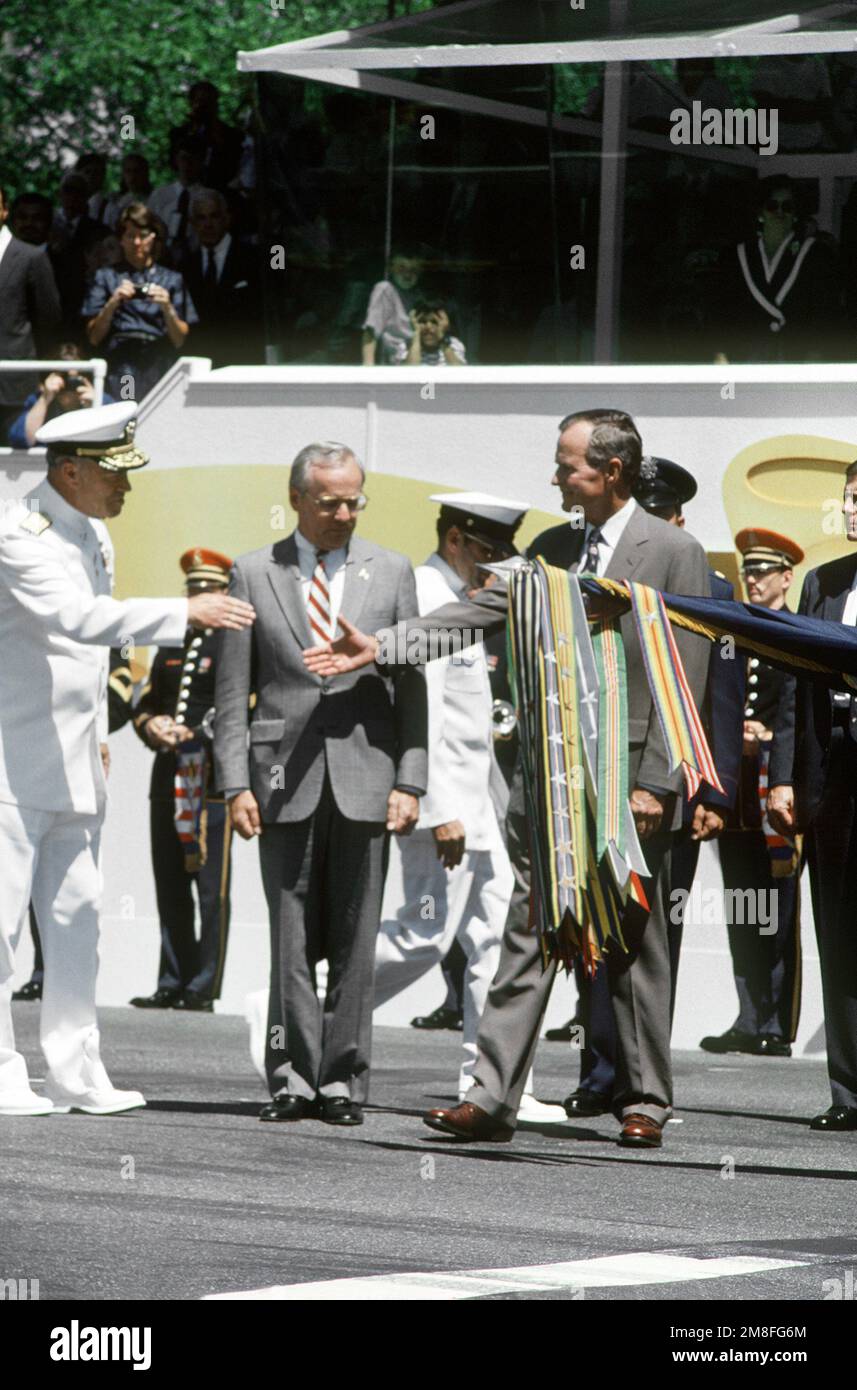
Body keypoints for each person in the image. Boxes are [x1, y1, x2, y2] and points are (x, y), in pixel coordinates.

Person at [304, 409, 712, 1149]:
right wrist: (384, 646)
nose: (555, 474)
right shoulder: (554, 547)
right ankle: (491, 1097)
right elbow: (482, 609)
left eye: (567, 463)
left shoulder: (674, 550)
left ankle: (645, 1099)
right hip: (550, 776)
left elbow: (684, 671)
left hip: (628, 781)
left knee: (633, 939)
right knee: (527, 929)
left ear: (611, 470)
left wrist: (656, 782)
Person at [0, 401, 255, 1116]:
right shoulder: (18, 533)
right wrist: (184, 612)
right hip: (10, 763)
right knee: (2, 926)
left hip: (73, 762)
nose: (127, 489)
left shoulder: (92, 534)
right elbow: (76, 621)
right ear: (72, 471)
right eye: (115, 475)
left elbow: (90, 658)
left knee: (79, 917)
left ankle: (77, 1071)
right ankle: (1, 1072)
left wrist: (98, 740)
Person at [214, 442, 427, 1127]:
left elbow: (411, 686)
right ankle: (291, 1077)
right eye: (330, 501)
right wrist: (233, 785)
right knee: (290, 940)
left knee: (356, 941)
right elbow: (232, 692)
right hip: (279, 781)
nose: (343, 513)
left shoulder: (392, 571)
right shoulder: (252, 572)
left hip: (367, 773)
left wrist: (411, 779)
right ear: (297, 498)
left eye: (353, 501)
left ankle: (342, 1082)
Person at [561, 456, 744, 1119]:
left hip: (665, 781)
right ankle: (599, 1070)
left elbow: (709, 696)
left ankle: (640, 1087)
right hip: (586, 775)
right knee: (588, 935)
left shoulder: (708, 585)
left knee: (642, 936)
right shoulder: (574, 562)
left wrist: (709, 791)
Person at [375, 492, 524, 1101]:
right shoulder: (426, 597)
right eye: (486, 551)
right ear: (458, 539)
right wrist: (436, 810)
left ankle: (491, 1082)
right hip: (446, 811)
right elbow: (422, 712)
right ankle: (293, 1004)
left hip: (480, 810)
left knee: (497, 942)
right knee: (424, 935)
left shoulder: (461, 600)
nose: (492, 566)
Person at [768, 464, 857, 1131]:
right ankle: (848, 1092)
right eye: (848, 501)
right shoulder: (822, 583)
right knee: (838, 932)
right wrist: (783, 777)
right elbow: (793, 688)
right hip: (834, 786)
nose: (849, 513)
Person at [701, 528, 803, 1059]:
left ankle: (775, 1020)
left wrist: (763, 737)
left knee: (779, 905)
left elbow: (792, 709)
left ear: (786, 577)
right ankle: (747, 1014)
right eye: (749, 569)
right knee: (742, 899)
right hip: (736, 786)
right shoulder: (735, 630)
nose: (754, 578)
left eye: (764, 571)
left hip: (773, 785)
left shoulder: (796, 630)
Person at [130, 548, 234, 1013]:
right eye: (193, 590)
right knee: (169, 883)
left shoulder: (232, 642)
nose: (199, 597)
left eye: (208, 589)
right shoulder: (171, 641)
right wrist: (150, 725)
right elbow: (146, 700)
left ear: (224, 593)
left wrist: (199, 734)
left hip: (210, 778)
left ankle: (202, 986)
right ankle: (171, 978)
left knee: (211, 889)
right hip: (167, 774)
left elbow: (241, 706)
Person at [708, 176, 843, 363]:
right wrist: (720, 351)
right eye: (772, 205)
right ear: (760, 212)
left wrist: (815, 353)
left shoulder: (816, 254)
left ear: (796, 214)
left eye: (787, 207)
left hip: (797, 359)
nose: (780, 211)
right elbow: (720, 309)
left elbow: (825, 313)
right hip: (745, 358)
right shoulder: (735, 256)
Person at [83, 202, 197, 402]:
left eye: (143, 236)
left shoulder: (171, 279)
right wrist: (112, 304)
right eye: (130, 236)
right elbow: (93, 337)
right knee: (128, 411)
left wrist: (167, 308)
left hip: (159, 360)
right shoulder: (106, 277)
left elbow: (180, 339)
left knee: (158, 416)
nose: (137, 242)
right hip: (124, 361)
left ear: (153, 237)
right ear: (121, 239)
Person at [0, 184, 61, 435]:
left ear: (4, 211)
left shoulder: (30, 256)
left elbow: (49, 320)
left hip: (14, 382)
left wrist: (41, 371)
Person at [182, 191, 262, 366]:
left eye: (214, 216)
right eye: (201, 218)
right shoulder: (185, 265)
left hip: (244, 361)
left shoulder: (254, 258)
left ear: (226, 219)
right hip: (202, 364)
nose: (208, 224)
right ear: (193, 224)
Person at [7, 343, 114, 449]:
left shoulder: (101, 400)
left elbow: (117, 438)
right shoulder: (39, 400)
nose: (67, 385)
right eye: (63, 377)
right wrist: (45, 399)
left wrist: (97, 405)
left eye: (73, 379)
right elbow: (19, 440)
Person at [168, 81, 243, 193]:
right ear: (191, 103)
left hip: (221, 192)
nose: (205, 107)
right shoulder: (179, 134)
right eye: (201, 101)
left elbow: (233, 164)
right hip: (187, 192)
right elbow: (173, 164)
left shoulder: (231, 135)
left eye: (210, 102)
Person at [148, 139, 215, 262]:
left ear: (200, 162)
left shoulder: (209, 196)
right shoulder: (160, 195)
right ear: (176, 161)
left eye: (193, 159)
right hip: (163, 257)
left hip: (197, 258)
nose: (187, 164)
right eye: (184, 158)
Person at [361, 250, 423, 365]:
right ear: (391, 269)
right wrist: (368, 366)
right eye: (401, 269)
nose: (408, 275)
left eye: (413, 270)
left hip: (420, 357)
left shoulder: (419, 295)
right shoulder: (385, 289)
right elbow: (371, 329)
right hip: (396, 363)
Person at [403, 298, 467, 366]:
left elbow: (460, 374)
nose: (428, 327)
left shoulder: (454, 345)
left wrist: (442, 338)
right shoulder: (406, 346)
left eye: (434, 322)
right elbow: (408, 374)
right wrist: (416, 335)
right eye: (423, 321)